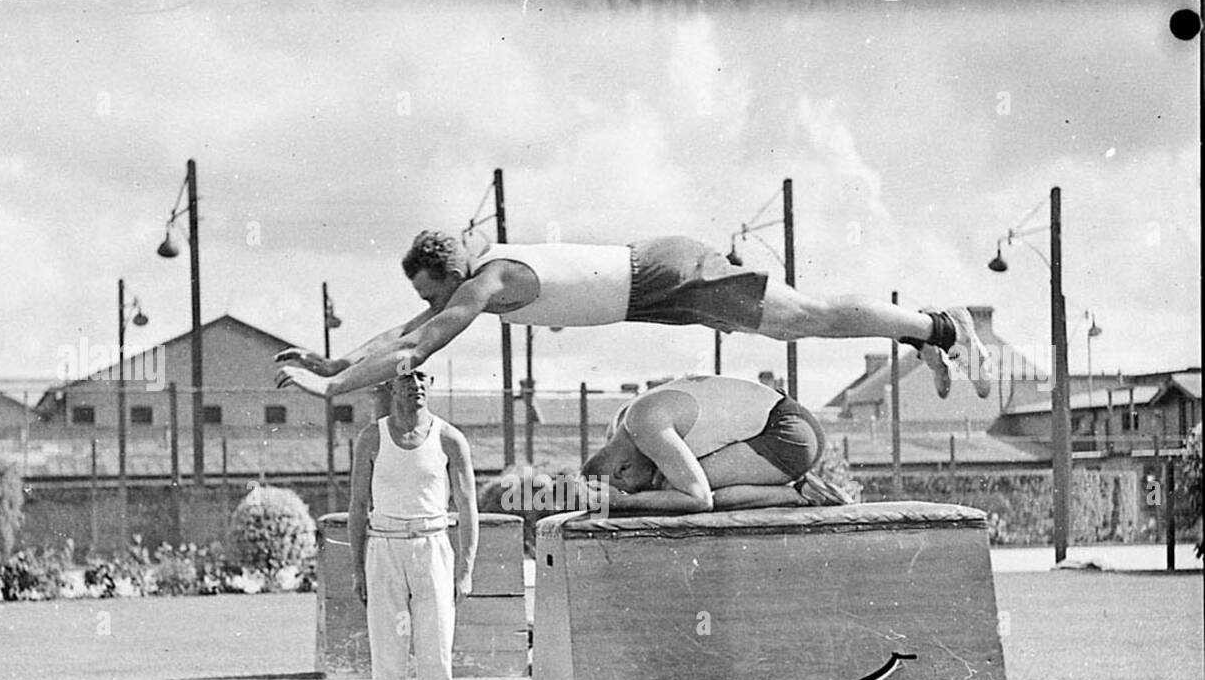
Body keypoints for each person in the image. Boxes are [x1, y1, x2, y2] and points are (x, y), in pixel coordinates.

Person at [274, 231, 993, 401]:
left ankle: (938, 325)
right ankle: (922, 329)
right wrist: (337, 361)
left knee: (802, 317)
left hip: (668, 277)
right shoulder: (474, 281)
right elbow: (407, 332)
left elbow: (420, 343)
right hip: (654, 294)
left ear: (452, 273)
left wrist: (336, 390)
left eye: (434, 292)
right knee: (802, 317)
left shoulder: (485, 282)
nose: (432, 307)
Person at [347, 370, 478, 680]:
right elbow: (356, 505)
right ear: (391, 386)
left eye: (423, 376)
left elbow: (468, 506)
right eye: (406, 378)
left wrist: (466, 567)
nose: (416, 384)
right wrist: (355, 567)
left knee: (436, 666)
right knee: (388, 664)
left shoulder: (450, 439)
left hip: (433, 549)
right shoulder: (371, 437)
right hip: (384, 550)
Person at [580, 374, 849, 513]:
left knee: (676, 491)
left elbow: (699, 500)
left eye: (630, 488)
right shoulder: (621, 423)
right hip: (780, 420)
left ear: (621, 470)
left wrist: (627, 503)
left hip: (792, 433)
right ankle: (800, 490)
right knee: (672, 488)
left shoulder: (644, 425)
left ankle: (800, 495)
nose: (642, 485)